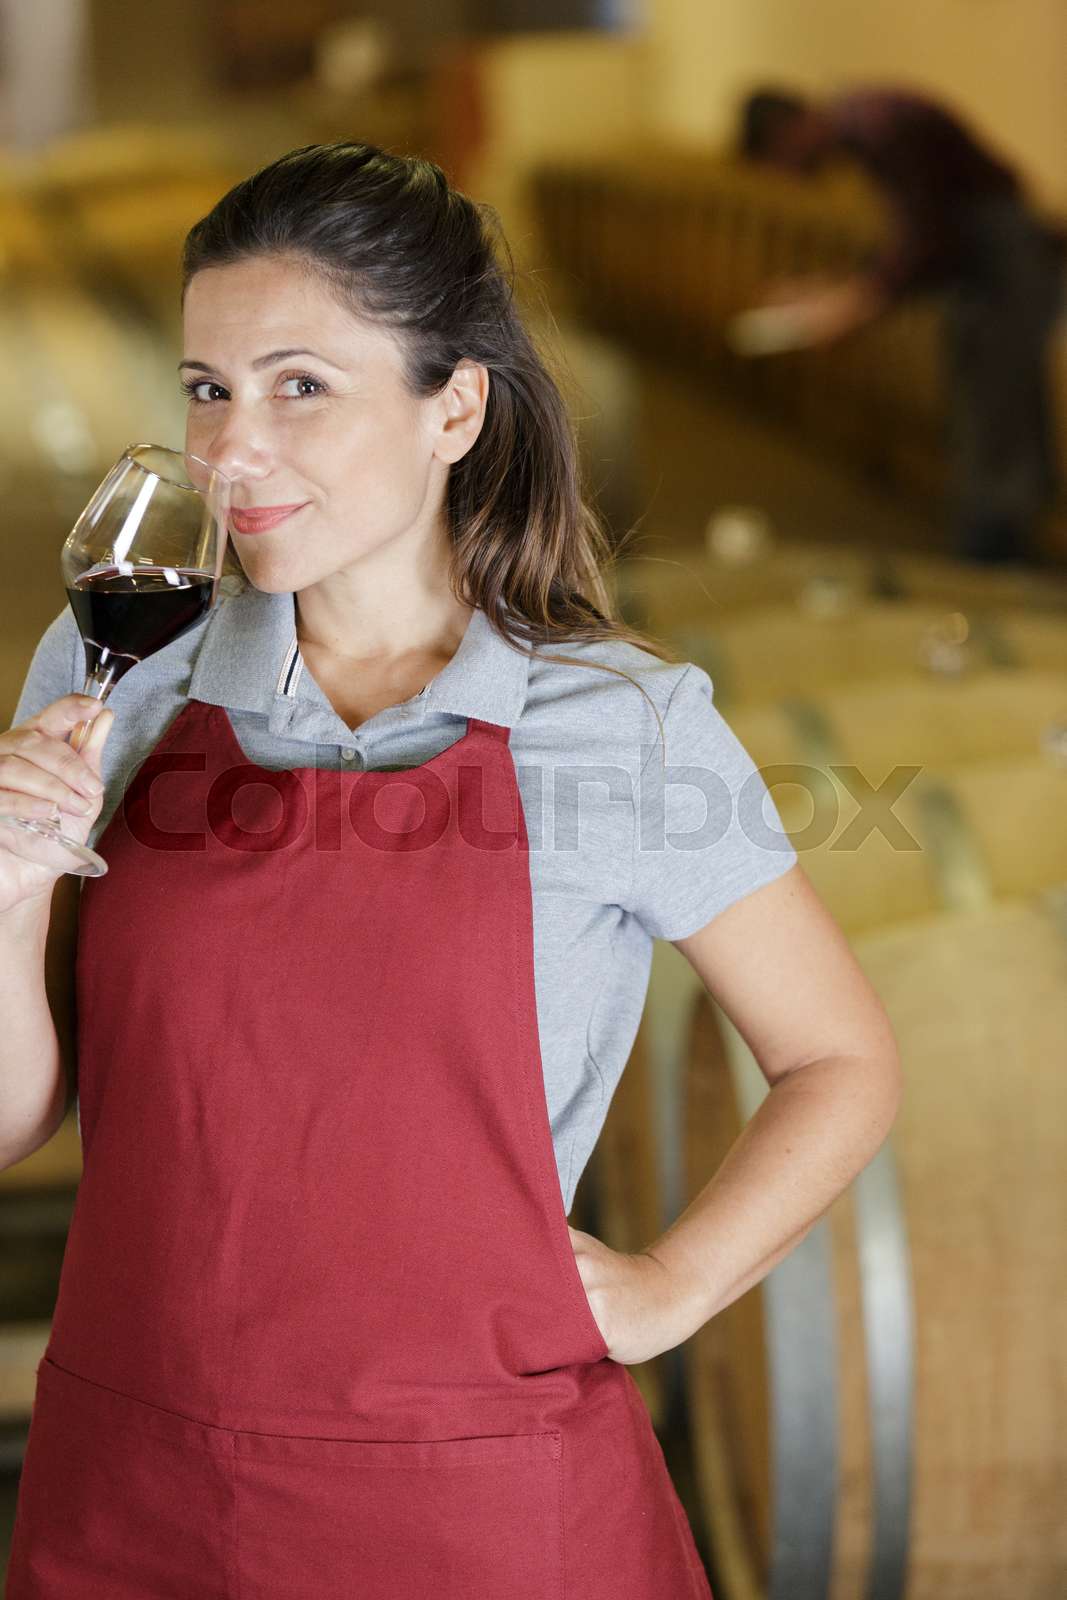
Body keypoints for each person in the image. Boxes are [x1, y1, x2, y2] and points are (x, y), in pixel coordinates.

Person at [0, 140, 901, 1596]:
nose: (232, 449)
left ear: (454, 406)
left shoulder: (614, 725)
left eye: (301, 384)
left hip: (483, 1510)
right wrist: (7, 892)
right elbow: (14, 1118)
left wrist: (670, 1290)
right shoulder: (124, 680)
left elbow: (839, 1059)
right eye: (207, 388)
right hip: (140, 1492)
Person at [737, 85, 1067, 565]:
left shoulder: (882, 128)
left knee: (998, 412)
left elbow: (929, 239)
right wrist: (833, 290)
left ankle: (999, 565)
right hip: (983, 272)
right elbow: (912, 236)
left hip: (1008, 266)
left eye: (782, 160)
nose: (792, 176)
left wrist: (853, 305)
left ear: (791, 129)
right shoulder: (865, 126)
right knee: (989, 409)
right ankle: (1002, 545)